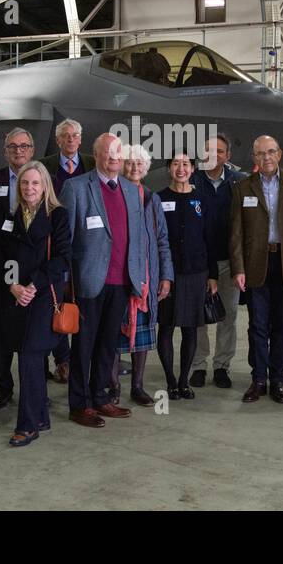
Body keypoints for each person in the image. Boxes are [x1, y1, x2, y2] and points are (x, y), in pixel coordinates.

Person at [59, 133, 159, 428]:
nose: (114, 157)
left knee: (108, 345)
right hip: (89, 282)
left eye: (118, 152)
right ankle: (79, 404)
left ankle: (101, 397)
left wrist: (139, 279)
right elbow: (66, 239)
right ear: (97, 155)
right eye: (108, 152)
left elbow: (138, 239)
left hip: (121, 281)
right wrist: (66, 282)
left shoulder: (131, 190)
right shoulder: (76, 187)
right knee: (84, 346)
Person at [0, 162, 71, 447]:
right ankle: (40, 417)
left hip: (43, 296)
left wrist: (32, 285)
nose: (29, 188)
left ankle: (27, 425)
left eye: (35, 183)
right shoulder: (10, 214)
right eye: (24, 183)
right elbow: (2, 254)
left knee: (29, 357)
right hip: (17, 296)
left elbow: (63, 257)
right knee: (32, 359)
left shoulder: (58, 215)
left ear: (45, 186)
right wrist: (13, 285)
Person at [230, 136, 283, 404]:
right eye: (260, 154)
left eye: (270, 152)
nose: (266, 158)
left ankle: (277, 378)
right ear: (253, 157)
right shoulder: (242, 187)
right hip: (256, 265)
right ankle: (258, 379)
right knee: (257, 325)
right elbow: (235, 232)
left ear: (279, 154)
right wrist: (238, 268)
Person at [0, 127, 36, 410]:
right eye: (12, 147)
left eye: (24, 146)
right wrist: (8, 280)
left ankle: (34, 386)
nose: (18, 151)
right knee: (1, 336)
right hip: (2, 269)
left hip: (32, 271)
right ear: (5, 151)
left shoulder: (42, 180)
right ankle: (3, 386)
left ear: (32, 150)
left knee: (31, 333)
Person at [113, 145, 174, 406]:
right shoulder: (112, 195)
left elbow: (162, 239)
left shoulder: (152, 198)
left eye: (139, 164)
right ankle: (112, 385)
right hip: (118, 276)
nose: (133, 168)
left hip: (147, 278)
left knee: (143, 336)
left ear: (146, 168)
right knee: (114, 335)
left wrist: (166, 276)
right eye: (128, 163)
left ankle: (137, 386)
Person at [155, 153, 214, 401]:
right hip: (167, 274)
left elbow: (211, 238)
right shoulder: (158, 198)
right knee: (166, 327)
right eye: (176, 164)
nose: (181, 169)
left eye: (186, 165)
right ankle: (170, 380)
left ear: (192, 169)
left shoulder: (201, 198)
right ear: (169, 168)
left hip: (196, 273)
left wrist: (211, 275)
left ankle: (184, 381)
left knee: (191, 329)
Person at [38, 118, 91, 382]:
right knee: (56, 301)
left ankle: (81, 360)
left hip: (86, 244)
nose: (70, 140)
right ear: (58, 140)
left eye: (74, 136)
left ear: (81, 139)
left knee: (82, 302)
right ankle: (62, 359)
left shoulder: (91, 163)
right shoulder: (45, 166)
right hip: (54, 242)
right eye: (65, 136)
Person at [191, 134, 244, 389]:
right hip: (199, 262)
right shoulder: (190, 180)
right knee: (198, 316)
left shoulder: (239, 183)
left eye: (220, 151)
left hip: (229, 261)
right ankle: (198, 365)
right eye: (209, 150)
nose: (214, 155)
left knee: (228, 315)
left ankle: (222, 366)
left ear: (228, 156)